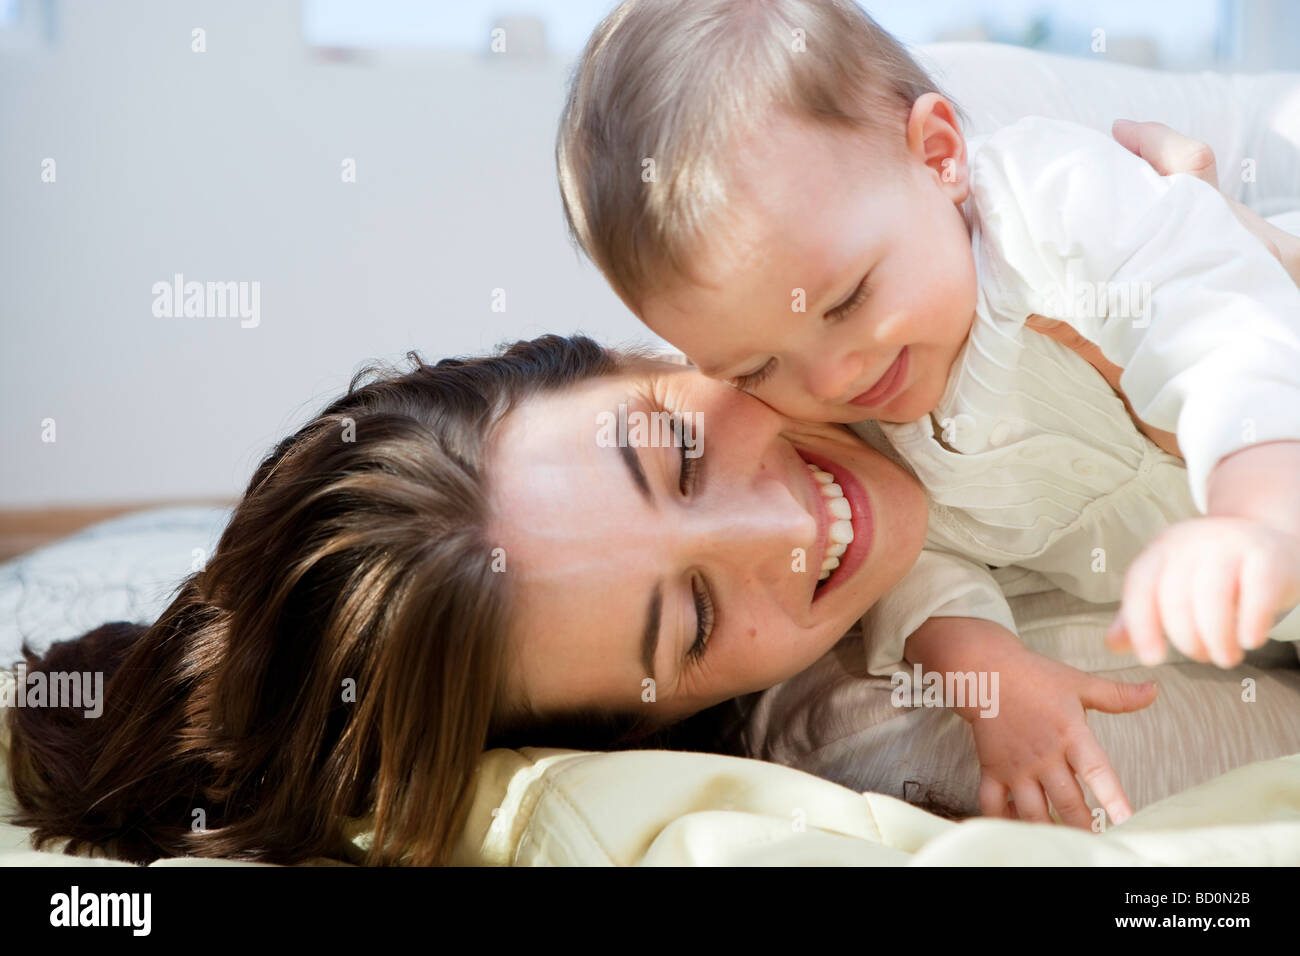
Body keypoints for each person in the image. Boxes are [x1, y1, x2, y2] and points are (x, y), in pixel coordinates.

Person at [554, 0, 1300, 824]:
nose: (833, 379)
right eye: (759, 366)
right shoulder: (856, 437)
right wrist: (987, 675)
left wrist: (1259, 512)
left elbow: (1210, 312)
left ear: (941, 155)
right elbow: (925, 565)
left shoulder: (1045, 207)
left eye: (847, 299)